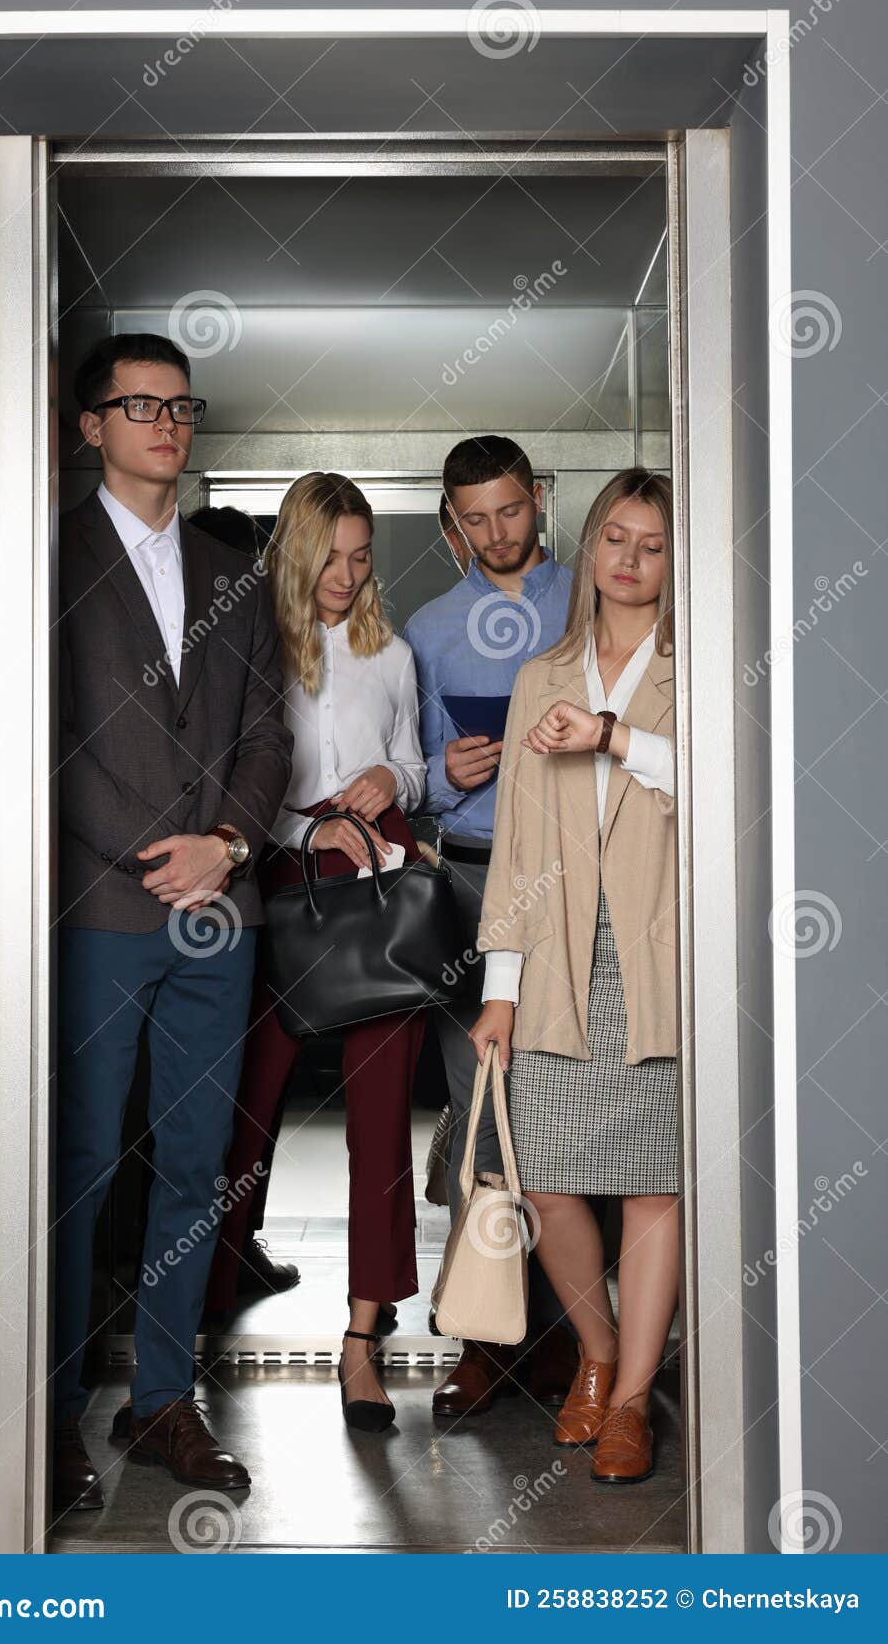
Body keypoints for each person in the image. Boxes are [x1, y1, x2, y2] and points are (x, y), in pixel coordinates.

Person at [52, 332, 293, 1512]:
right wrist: (150, 858)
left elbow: (267, 737)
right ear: (89, 424)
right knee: (81, 1167)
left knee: (194, 1168)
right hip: (103, 906)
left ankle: (160, 1401)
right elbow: (41, 738)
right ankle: (46, 1415)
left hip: (222, 909)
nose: (164, 420)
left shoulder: (232, 574)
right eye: (136, 403)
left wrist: (229, 848)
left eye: (179, 403)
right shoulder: (41, 554)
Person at [205, 472, 427, 1432]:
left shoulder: (394, 652)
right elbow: (229, 780)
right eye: (328, 555)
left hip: (382, 894)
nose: (345, 575)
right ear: (292, 552)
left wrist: (390, 776)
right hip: (280, 889)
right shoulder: (251, 646)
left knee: (381, 1120)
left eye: (360, 555)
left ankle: (363, 1339)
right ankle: (205, 1294)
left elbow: (415, 766)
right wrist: (306, 833)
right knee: (246, 1102)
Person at [471, 467, 679, 1485]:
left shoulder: (702, 670)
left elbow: (723, 783)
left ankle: (632, 1397)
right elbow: (514, 842)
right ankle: (593, 1351)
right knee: (546, 1177)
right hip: (553, 957)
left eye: (651, 543)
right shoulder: (538, 680)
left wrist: (617, 736)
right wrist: (497, 988)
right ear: (588, 548)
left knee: (650, 1184)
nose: (630, 560)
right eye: (614, 538)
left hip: (659, 963)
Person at [403, 435, 577, 1417]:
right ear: (449, 521)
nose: (493, 532)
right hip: (468, 884)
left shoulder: (587, 601)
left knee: (570, 1111)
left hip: (577, 887)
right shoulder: (426, 629)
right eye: (472, 517)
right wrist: (445, 776)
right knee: (480, 1118)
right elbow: (409, 771)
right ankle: (484, 1340)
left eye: (508, 511)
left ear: (537, 501)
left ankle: (562, 1339)